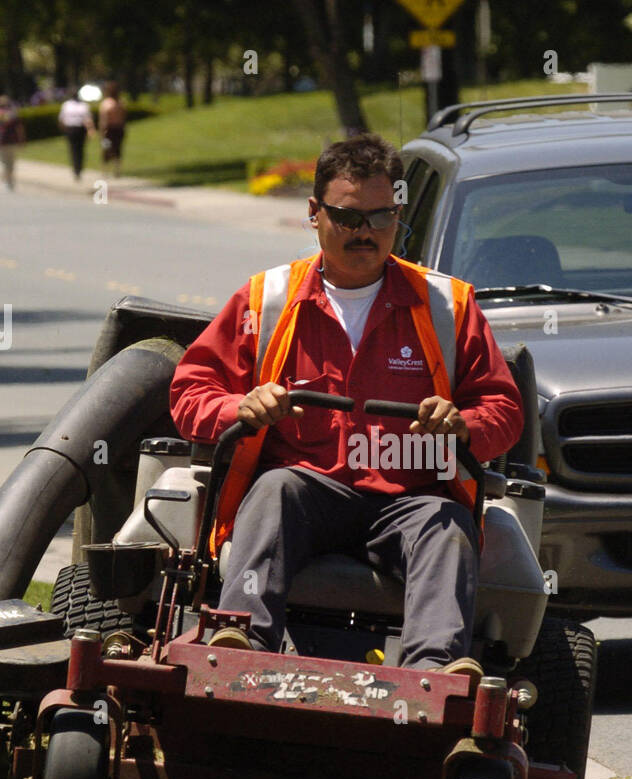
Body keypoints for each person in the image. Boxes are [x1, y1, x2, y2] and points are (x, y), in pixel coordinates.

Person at [169, 134, 523, 673]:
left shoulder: (448, 305)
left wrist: (464, 425)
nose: (367, 233)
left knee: (447, 521)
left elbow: (503, 407)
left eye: (382, 218)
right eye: (350, 217)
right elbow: (192, 390)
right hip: (307, 490)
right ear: (314, 213)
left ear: (398, 213)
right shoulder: (265, 299)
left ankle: (435, 679)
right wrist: (240, 408)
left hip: (411, 493)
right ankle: (238, 651)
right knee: (273, 490)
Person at [0, 96, 25, 191]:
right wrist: (21, 140)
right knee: (9, 164)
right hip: (6, 142)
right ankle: (9, 182)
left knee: (6, 164)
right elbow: (19, 129)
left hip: (3, 142)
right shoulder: (11, 114)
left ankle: (8, 182)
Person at [57, 89, 94, 181]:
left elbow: (87, 119)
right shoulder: (66, 105)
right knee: (73, 149)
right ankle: (76, 169)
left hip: (80, 129)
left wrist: (90, 130)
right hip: (71, 129)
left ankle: (79, 168)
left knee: (80, 150)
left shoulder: (83, 105)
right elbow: (62, 119)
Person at [98, 81, 127, 178]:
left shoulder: (106, 103)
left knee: (106, 149)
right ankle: (117, 170)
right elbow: (123, 117)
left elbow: (103, 120)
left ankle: (105, 171)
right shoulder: (121, 103)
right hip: (119, 128)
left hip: (109, 129)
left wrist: (102, 131)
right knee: (117, 149)